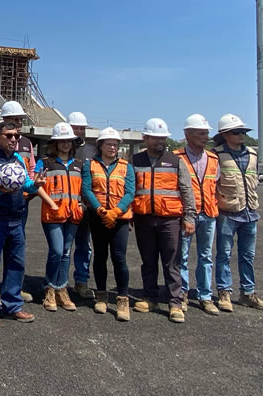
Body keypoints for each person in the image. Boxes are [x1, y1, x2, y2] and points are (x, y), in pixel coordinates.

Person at [0, 121, 56, 330]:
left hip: (16, 219)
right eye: (9, 135)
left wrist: (34, 185)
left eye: (16, 136)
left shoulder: (19, 159)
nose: (13, 140)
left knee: (16, 265)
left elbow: (23, 185)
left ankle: (12, 305)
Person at [131, 119, 197, 323]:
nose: (160, 141)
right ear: (146, 138)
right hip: (143, 218)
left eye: (163, 137)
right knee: (148, 261)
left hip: (170, 220)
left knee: (172, 263)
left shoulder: (175, 161)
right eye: (156, 138)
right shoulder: (135, 160)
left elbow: (186, 189)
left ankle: (175, 302)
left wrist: (189, 217)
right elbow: (129, 189)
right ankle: (150, 296)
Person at [213, 114, 263, 313]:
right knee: (224, 254)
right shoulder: (216, 156)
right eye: (236, 132)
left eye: (243, 132)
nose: (242, 135)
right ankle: (224, 292)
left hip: (249, 212)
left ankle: (248, 293)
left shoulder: (252, 154)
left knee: (247, 256)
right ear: (224, 134)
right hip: (227, 212)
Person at [0, 101, 36, 302]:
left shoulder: (26, 143)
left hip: (19, 205)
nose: (18, 124)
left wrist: (29, 189)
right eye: (14, 119)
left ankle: (11, 291)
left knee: (15, 253)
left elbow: (29, 169)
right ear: (4, 120)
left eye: (20, 120)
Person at [82, 127, 135, 321]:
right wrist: (100, 210)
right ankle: (102, 296)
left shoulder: (126, 166)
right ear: (100, 146)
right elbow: (87, 190)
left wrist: (115, 212)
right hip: (98, 217)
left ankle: (122, 299)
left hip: (120, 219)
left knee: (119, 258)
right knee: (100, 256)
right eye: (109, 144)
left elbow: (130, 192)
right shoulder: (90, 165)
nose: (112, 147)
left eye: (115, 144)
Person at [175, 114, 222, 315]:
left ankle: (205, 295)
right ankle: (183, 293)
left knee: (205, 256)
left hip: (208, 213)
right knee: (182, 256)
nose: (205, 137)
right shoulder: (177, 158)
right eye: (201, 133)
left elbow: (215, 185)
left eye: (206, 133)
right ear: (188, 134)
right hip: (187, 214)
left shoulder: (213, 158)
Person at [34, 123, 83, 312]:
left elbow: (85, 188)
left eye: (68, 141)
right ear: (55, 143)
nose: (65, 144)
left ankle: (61, 288)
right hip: (52, 214)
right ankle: (49, 288)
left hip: (73, 215)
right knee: (56, 250)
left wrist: (82, 204)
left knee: (66, 252)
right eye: (61, 141)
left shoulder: (79, 165)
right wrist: (51, 203)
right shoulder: (45, 162)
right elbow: (36, 184)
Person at [65, 111, 95, 300]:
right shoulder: (61, 147)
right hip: (65, 206)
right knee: (63, 247)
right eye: (76, 128)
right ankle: (58, 283)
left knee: (84, 246)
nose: (79, 131)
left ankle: (81, 282)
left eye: (82, 128)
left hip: (86, 207)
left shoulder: (93, 150)